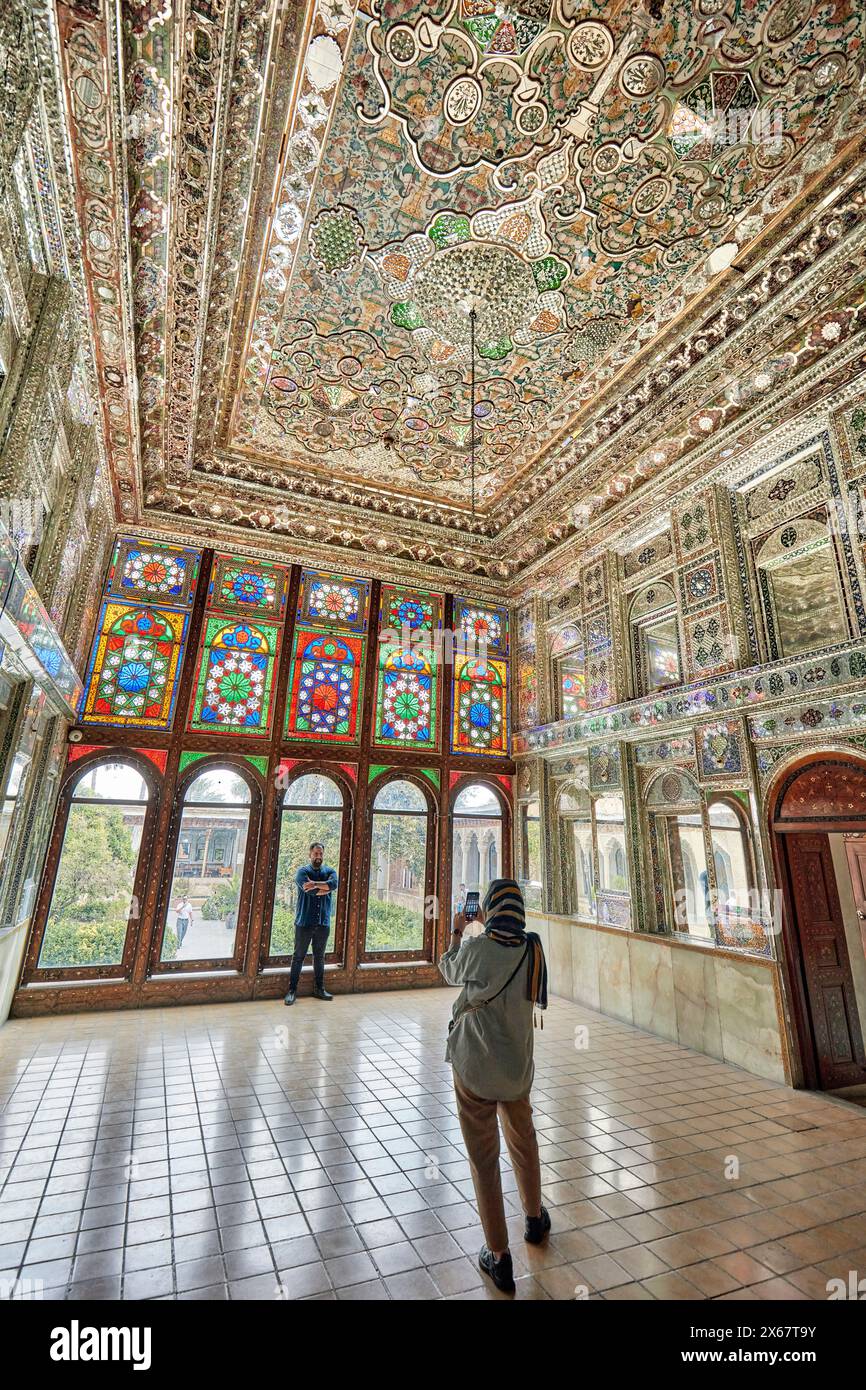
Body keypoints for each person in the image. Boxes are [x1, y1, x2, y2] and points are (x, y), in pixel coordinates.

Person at [439, 878, 549, 1295]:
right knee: (525, 1142)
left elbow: (448, 969)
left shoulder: (478, 948)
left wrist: (458, 930)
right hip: (517, 1071)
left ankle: (499, 1256)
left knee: (485, 1157)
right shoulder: (532, 948)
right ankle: (535, 1218)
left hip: (476, 1070)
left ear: (487, 909)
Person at [284, 842, 338, 1005]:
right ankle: (292, 991)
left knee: (319, 957)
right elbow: (311, 892)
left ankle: (319, 989)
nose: (318, 857)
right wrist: (324, 887)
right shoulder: (302, 872)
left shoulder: (330, 871)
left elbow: (334, 884)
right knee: (298, 957)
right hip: (304, 922)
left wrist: (314, 883)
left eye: (321, 854)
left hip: (323, 922)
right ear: (310, 855)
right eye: (315, 854)